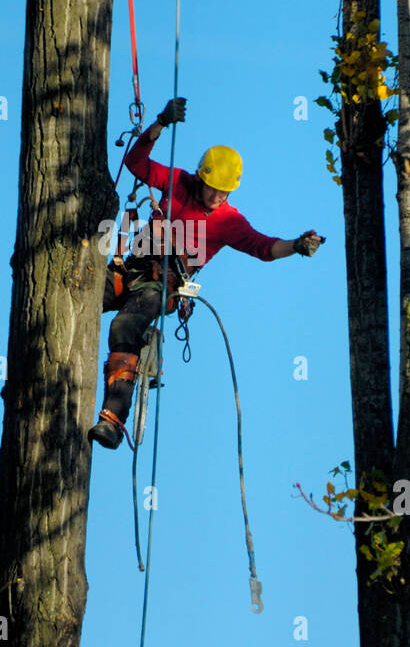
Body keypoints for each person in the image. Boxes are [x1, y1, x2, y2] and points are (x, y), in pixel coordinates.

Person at [88, 96, 324, 449]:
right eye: (214, 188)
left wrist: (296, 244)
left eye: (225, 191)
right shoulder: (178, 182)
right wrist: (160, 124)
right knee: (81, 291)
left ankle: (112, 420)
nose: (218, 196)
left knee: (124, 326)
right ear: (201, 177)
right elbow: (136, 163)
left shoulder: (229, 221)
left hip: (159, 283)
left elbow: (264, 248)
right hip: (129, 268)